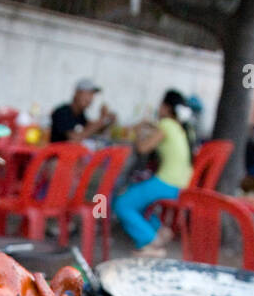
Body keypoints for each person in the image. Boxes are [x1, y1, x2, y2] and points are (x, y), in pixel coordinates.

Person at [112, 90, 195, 254]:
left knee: (122, 203)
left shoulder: (166, 124)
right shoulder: (179, 127)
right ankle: (159, 231)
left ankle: (150, 241)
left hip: (168, 182)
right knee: (136, 200)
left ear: (166, 107)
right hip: (181, 183)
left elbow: (143, 148)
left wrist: (135, 133)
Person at [50, 79, 115, 143]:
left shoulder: (81, 115)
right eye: (88, 94)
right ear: (77, 93)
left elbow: (91, 129)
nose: (90, 98)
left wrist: (107, 121)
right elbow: (75, 138)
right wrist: (102, 120)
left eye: (92, 95)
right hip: (57, 153)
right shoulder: (62, 112)